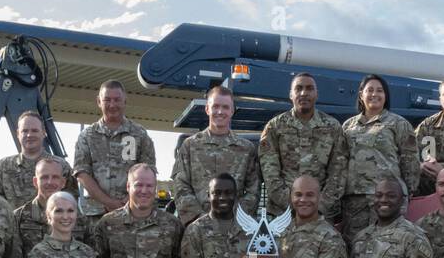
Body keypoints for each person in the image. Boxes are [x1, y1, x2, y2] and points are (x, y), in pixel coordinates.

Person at [258, 73, 347, 220]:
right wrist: (292, 204)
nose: (304, 93)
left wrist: (320, 206)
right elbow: (270, 173)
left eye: (309, 89)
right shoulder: (275, 127)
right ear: (291, 94)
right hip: (283, 214)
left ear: (316, 94)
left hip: (321, 214)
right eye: (298, 88)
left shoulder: (333, 127)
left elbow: (338, 173)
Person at [341, 74, 420, 239]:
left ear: (386, 96)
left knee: (388, 248)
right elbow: (340, 162)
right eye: (370, 90)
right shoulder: (348, 126)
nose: (374, 94)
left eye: (380, 91)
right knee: (355, 247)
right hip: (355, 202)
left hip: (388, 200)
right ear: (361, 95)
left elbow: (410, 162)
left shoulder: (399, 124)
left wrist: (406, 193)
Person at [171, 85, 260, 225]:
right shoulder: (190, 146)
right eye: (215, 106)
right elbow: (180, 186)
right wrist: (200, 219)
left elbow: (253, 191)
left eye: (225, 107)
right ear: (207, 109)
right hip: (197, 229)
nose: (220, 111)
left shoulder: (246, 149)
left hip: (234, 229)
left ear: (232, 111)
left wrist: (235, 218)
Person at [73, 80, 157, 215]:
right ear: (99, 102)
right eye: (107, 100)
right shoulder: (87, 136)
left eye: (117, 100)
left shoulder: (139, 135)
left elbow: (149, 172)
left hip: (132, 213)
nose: (112, 105)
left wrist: (128, 201)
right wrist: (108, 202)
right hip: (96, 213)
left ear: (125, 101)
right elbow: (82, 173)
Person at [0, 110, 73, 207]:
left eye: (34, 131)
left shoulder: (61, 166)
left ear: (44, 133)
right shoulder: (4, 166)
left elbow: (71, 202)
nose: (29, 135)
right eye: (25, 131)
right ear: (18, 134)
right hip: (14, 221)